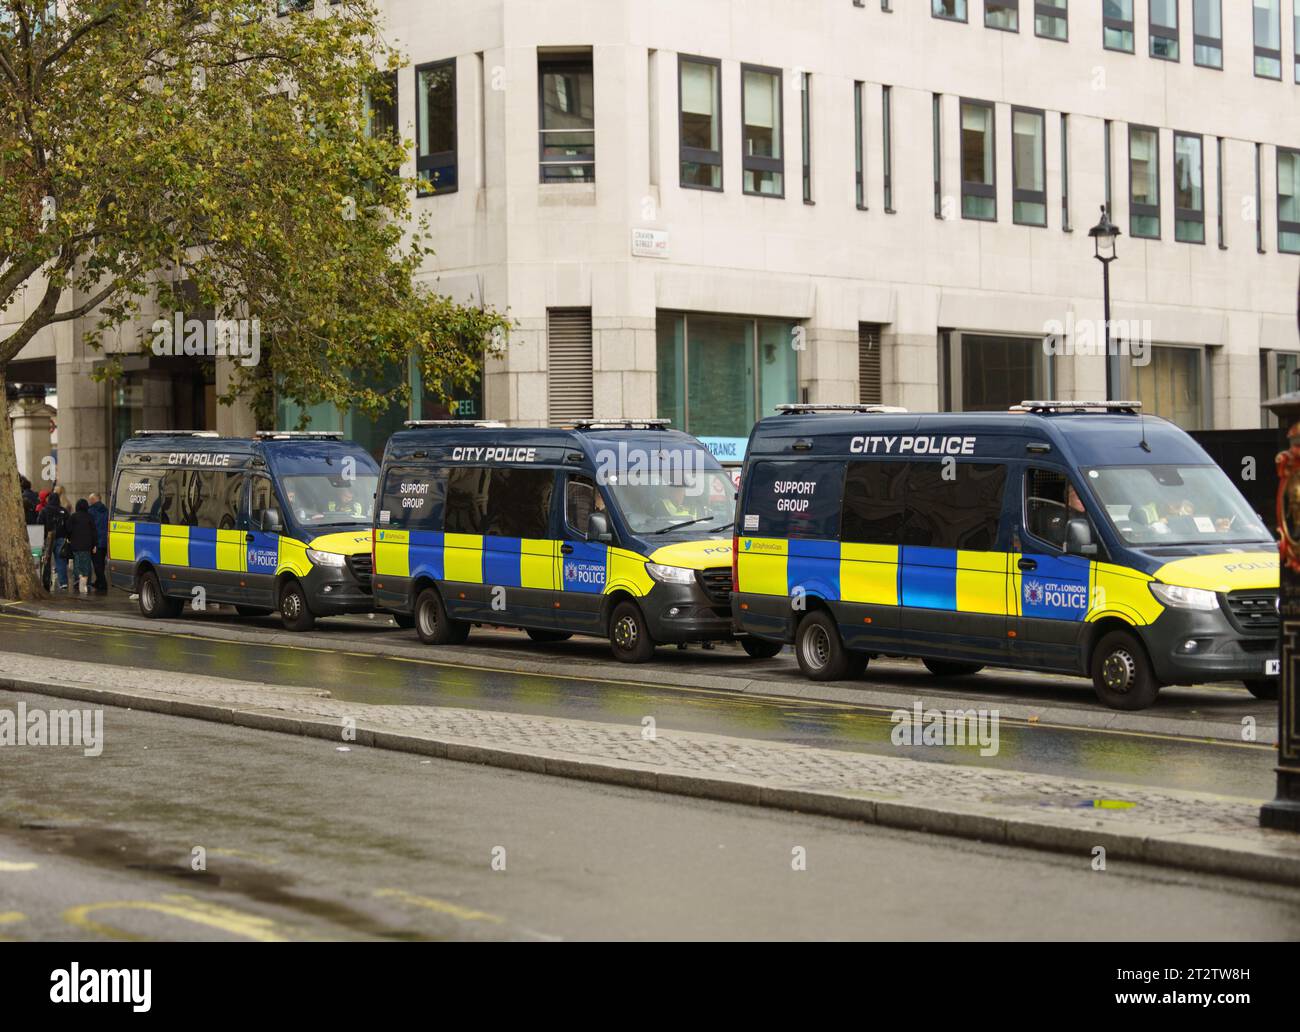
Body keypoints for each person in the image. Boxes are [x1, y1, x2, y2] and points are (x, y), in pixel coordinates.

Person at [39, 487, 69, 590]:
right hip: (60, 538)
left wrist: (41, 538)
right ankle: (63, 583)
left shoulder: (44, 510)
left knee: (46, 561)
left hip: (47, 538)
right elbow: (68, 526)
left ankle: (46, 581)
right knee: (61, 561)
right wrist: (67, 536)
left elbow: (40, 524)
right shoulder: (63, 511)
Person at [65, 498, 97, 594]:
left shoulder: (73, 517)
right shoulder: (90, 517)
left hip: (75, 544)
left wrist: (69, 538)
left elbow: (68, 530)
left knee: (77, 562)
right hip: (87, 545)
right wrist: (95, 544)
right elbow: (94, 532)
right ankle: (84, 582)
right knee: (86, 564)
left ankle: (79, 578)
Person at [88, 492, 109, 592]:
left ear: (93, 500)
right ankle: (98, 581)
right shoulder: (106, 510)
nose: (89, 501)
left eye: (90, 499)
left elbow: (91, 527)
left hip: (96, 541)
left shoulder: (91, 511)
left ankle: (103, 583)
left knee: (97, 564)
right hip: (105, 540)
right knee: (101, 563)